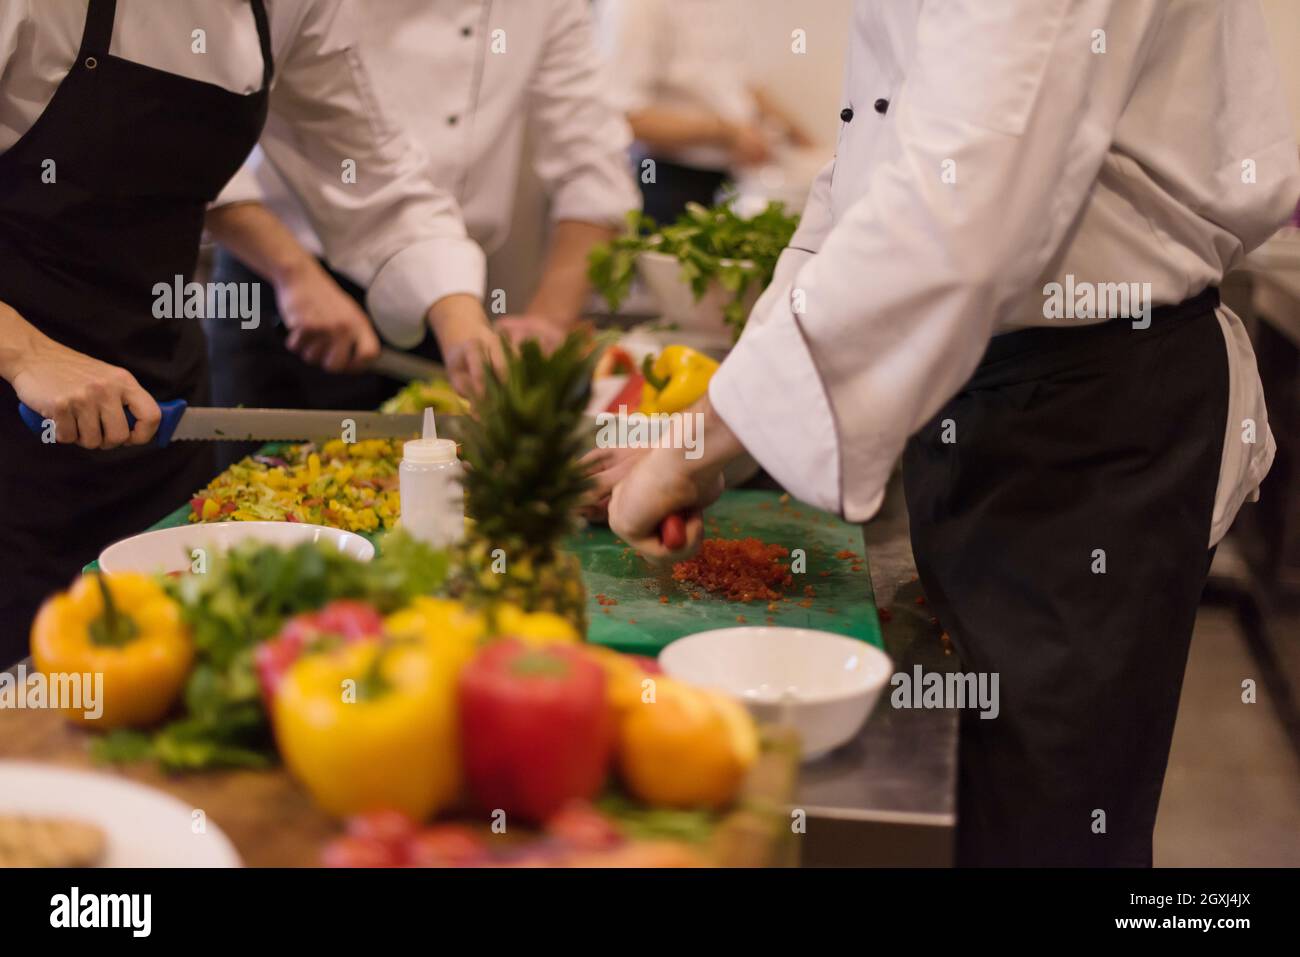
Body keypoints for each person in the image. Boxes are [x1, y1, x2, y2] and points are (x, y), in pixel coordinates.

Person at [604, 0, 1300, 866]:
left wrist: (704, 440)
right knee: (990, 804)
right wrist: (726, 422)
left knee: (1044, 833)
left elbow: (963, 197)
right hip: (1004, 392)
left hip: (1086, 422)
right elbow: (865, 182)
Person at [0, 0, 500, 665]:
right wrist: (28, 352)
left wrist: (461, 325)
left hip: (160, 415)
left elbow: (372, 168)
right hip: (12, 425)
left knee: (169, 678)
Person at [205, 0, 641, 426]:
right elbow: (200, 142)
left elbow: (593, 169)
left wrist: (537, 323)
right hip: (281, 288)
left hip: (446, 299)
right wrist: (293, 273)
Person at [599, 0, 813, 224]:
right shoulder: (636, 7)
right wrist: (726, 133)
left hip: (728, 176)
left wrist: (806, 144)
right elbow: (624, 115)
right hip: (664, 178)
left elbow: (745, 81)